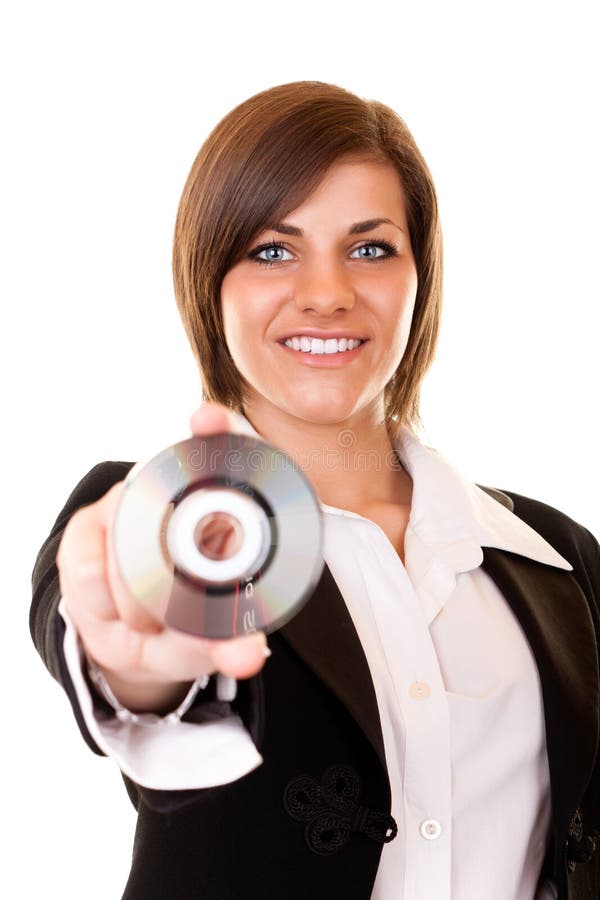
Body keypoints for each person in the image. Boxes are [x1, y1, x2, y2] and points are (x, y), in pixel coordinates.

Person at [30, 81, 599, 900]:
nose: (327, 291)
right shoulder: (156, 522)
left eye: (371, 248)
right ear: (210, 281)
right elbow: (115, 647)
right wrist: (134, 670)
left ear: (419, 277)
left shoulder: (556, 557)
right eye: (272, 249)